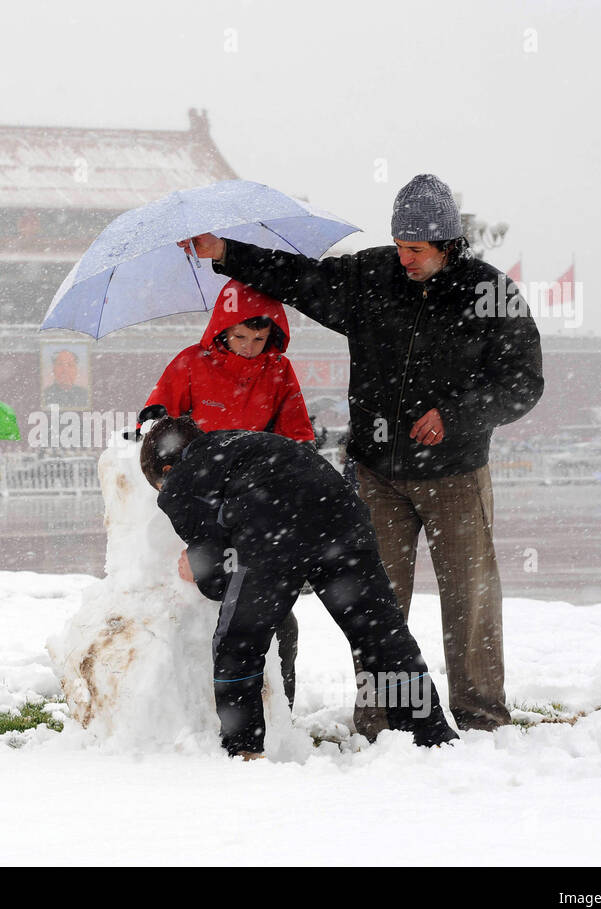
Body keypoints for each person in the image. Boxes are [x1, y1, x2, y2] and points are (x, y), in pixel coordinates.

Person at [181, 173, 544, 738]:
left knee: (469, 602)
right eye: (399, 246)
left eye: (416, 250)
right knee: (375, 604)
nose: (404, 259)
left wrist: (457, 416)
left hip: (455, 475)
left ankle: (481, 715)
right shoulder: (371, 276)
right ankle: (382, 719)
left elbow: (524, 382)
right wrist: (226, 252)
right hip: (376, 473)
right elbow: (299, 277)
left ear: (448, 244)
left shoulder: (490, 294)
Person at [141, 415, 458, 758]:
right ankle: (428, 735)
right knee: (381, 635)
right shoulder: (245, 441)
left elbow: (218, 570)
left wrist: (199, 567)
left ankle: (244, 749)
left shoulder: (179, 480)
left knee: (238, 644)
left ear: (168, 470)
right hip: (341, 518)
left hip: (272, 534)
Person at [141, 278, 316, 710]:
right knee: (198, 601)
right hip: (198, 500)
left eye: (260, 338)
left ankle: (280, 709)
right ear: (221, 331)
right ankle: (187, 703)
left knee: (276, 617)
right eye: (240, 336)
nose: (250, 347)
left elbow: (297, 437)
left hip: (255, 503)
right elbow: (155, 426)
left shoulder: (279, 371)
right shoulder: (188, 363)